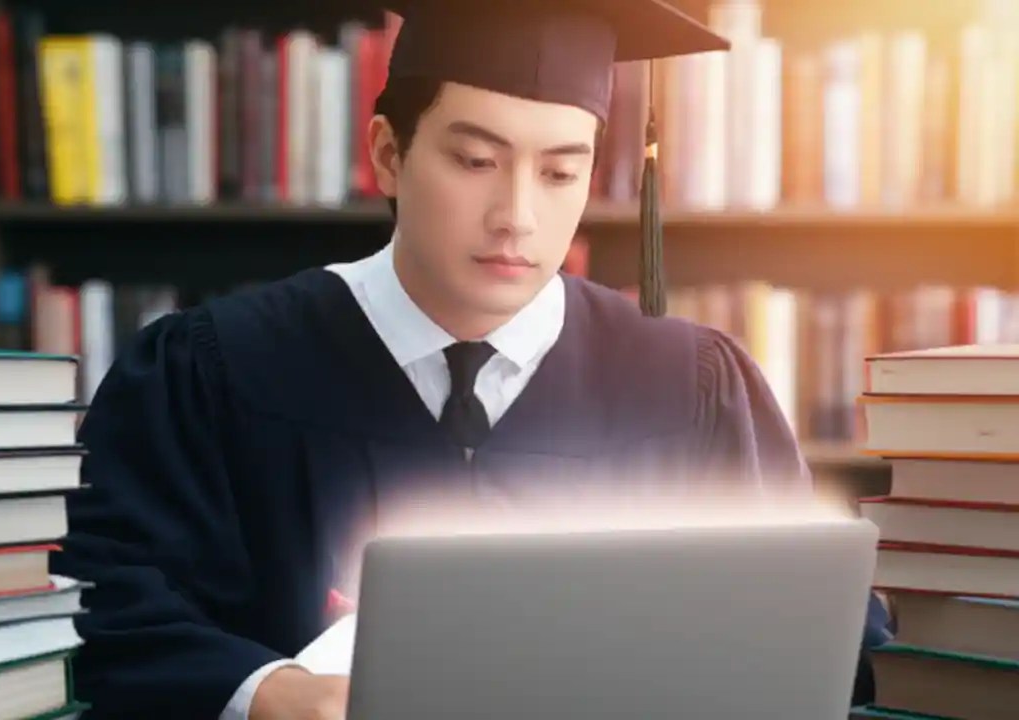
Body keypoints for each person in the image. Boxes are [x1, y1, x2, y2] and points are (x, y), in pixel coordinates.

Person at [52, 1, 891, 717]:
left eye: (560, 172)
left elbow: (828, 635)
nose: (516, 215)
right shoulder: (216, 369)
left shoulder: (692, 388)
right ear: (389, 154)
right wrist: (264, 690)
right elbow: (97, 596)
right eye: (476, 161)